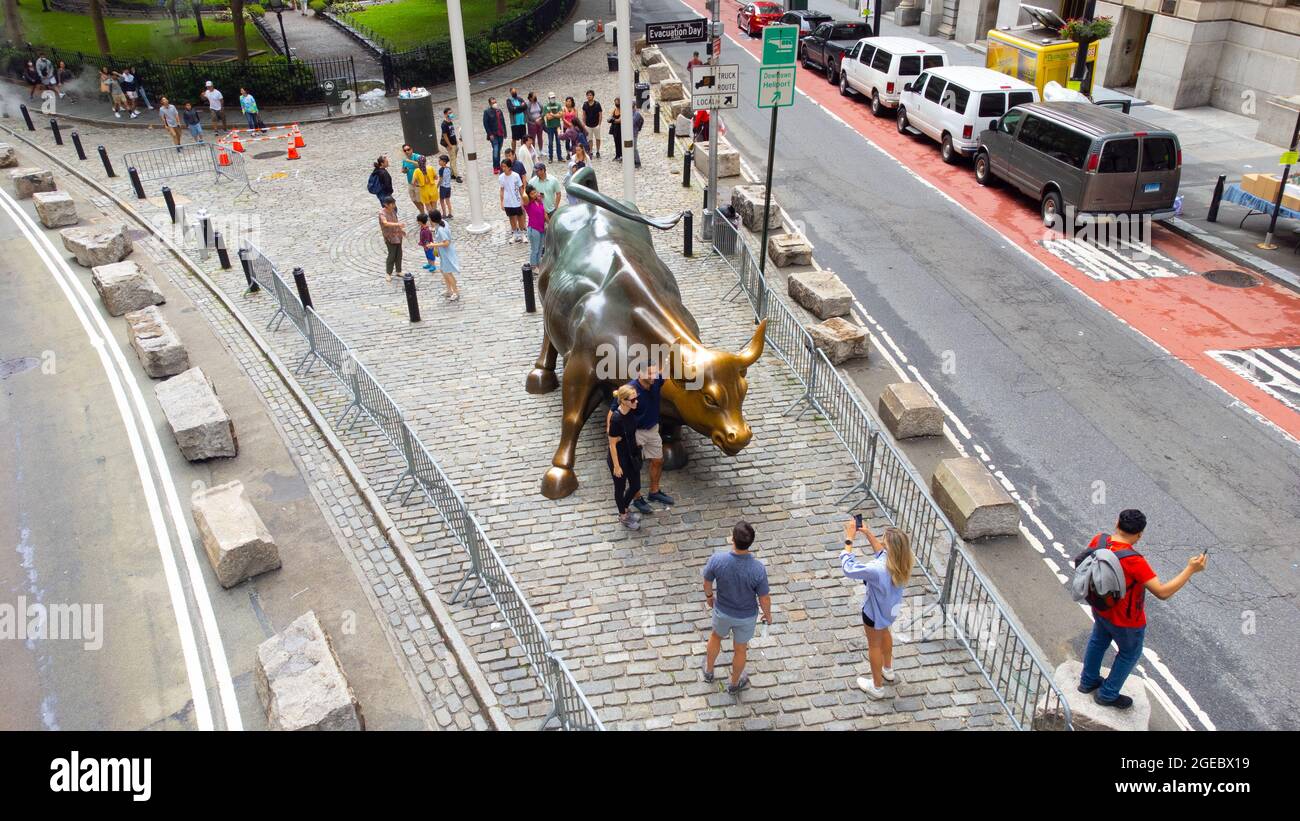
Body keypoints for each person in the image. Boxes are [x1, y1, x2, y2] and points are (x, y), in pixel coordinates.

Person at [1078, 509, 1207, 709]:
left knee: (1098, 641)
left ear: (1116, 523)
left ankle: (1087, 682)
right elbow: (1162, 592)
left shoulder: (1099, 540)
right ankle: (1108, 694)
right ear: (1140, 534)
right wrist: (1191, 569)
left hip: (1101, 608)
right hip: (1127, 620)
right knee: (1129, 654)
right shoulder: (1134, 561)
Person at [840, 518, 914, 698]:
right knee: (885, 633)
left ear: (889, 547)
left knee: (874, 645)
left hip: (873, 612)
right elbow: (882, 552)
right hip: (890, 609)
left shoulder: (876, 569)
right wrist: (867, 533)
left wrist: (849, 541)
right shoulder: (902, 561)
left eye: (884, 540)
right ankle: (887, 669)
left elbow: (848, 569)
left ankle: (877, 686)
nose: (881, 542)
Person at [701, 521, 771, 694]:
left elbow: (707, 581)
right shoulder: (758, 569)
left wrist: (710, 597)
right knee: (741, 648)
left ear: (732, 539)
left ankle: (709, 670)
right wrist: (767, 615)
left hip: (723, 611)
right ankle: (734, 683)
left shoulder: (718, 560)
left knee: (715, 637)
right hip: (746, 617)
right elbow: (764, 597)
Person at [609, 362, 674, 515]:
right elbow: (613, 411)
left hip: (652, 429)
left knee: (658, 460)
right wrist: (611, 434)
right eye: (650, 374)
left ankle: (654, 491)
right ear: (639, 373)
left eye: (655, 373)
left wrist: (671, 356)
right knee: (634, 466)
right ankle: (637, 498)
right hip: (635, 432)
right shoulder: (630, 390)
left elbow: (666, 371)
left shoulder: (656, 380)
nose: (653, 377)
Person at [606, 385, 642, 531]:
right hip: (619, 458)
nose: (636, 401)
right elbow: (612, 444)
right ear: (623, 401)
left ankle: (625, 508)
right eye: (633, 399)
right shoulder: (616, 418)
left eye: (636, 398)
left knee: (636, 486)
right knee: (620, 488)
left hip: (631, 455)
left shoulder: (631, 412)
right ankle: (623, 515)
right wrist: (616, 466)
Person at [428, 210, 460, 301]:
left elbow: (446, 243)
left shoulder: (441, 229)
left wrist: (433, 245)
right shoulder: (443, 223)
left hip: (446, 253)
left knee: (448, 272)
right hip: (444, 253)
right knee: (444, 271)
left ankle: (455, 292)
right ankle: (449, 290)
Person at [378, 196, 405, 284]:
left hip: (397, 235)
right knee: (392, 254)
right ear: (386, 204)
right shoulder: (382, 213)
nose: (393, 205)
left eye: (394, 203)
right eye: (392, 204)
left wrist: (401, 231)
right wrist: (398, 224)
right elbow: (385, 223)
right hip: (389, 237)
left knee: (399, 253)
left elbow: (396, 220)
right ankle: (388, 273)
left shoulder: (393, 211)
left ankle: (398, 270)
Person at [498, 159, 526, 243]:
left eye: (505, 166)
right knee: (511, 218)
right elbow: (502, 190)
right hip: (508, 201)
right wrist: (502, 202)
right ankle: (515, 234)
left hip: (516, 200)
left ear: (509, 167)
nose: (503, 168)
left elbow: (520, 188)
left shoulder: (516, 176)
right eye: (502, 166)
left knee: (520, 217)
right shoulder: (501, 177)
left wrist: (522, 199)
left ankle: (522, 234)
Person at [482, 97, 508, 172]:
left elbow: (503, 122)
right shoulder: (487, 112)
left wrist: (505, 132)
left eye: (495, 102)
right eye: (493, 103)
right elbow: (485, 124)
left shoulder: (499, 111)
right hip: (493, 134)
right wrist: (490, 134)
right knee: (495, 150)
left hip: (500, 133)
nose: (495, 104)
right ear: (490, 104)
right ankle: (495, 167)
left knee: (498, 150)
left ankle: (498, 165)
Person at [524, 184, 546, 268]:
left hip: (541, 228)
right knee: (535, 249)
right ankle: (533, 266)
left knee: (540, 248)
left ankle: (538, 264)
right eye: (532, 193)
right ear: (528, 195)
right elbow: (524, 197)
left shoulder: (539, 202)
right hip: (534, 229)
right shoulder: (528, 203)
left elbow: (544, 213)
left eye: (535, 192)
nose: (535, 194)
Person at [399, 144, 425, 215]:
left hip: (418, 182)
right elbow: (403, 170)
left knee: (419, 200)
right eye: (405, 150)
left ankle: (423, 214)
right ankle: (422, 212)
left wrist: (409, 161)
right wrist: (405, 170)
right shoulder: (405, 160)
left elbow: (421, 164)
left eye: (408, 149)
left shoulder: (416, 156)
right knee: (413, 199)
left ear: (412, 149)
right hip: (410, 182)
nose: (407, 151)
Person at [439, 108, 462, 182]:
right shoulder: (444, 124)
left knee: (453, 159)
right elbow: (445, 135)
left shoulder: (450, 122)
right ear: (445, 114)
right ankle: (457, 175)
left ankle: (452, 174)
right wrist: (449, 145)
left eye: (451, 112)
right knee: (453, 160)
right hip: (451, 145)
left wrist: (456, 141)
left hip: (454, 143)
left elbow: (452, 133)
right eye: (449, 113)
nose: (451, 114)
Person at [543, 92, 564, 162]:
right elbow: (548, 117)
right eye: (551, 98)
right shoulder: (546, 106)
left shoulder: (558, 105)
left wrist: (552, 114)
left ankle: (559, 157)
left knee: (558, 142)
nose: (553, 99)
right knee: (550, 142)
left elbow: (561, 115)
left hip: (558, 126)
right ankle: (550, 157)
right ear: (549, 98)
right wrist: (556, 115)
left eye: (554, 97)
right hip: (550, 127)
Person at [581, 90, 603, 158]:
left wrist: (599, 124)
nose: (589, 96)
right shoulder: (585, 104)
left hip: (596, 124)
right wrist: (584, 124)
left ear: (593, 96)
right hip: (588, 125)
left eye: (590, 95)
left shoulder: (597, 104)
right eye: (588, 95)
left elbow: (600, 114)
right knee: (589, 139)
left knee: (598, 138)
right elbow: (584, 115)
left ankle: (598, 151)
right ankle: (590, 151)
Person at [506, 87, 528, 151]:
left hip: (522, 122)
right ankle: (513, 152)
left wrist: (516, 108)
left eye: (515, 91)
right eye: (513, 92)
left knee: (523, 138)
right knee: (514, 138)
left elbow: (525, 106)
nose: (514, 92)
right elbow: (511, 110)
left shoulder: (520, 99)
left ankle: (522, 151)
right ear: (510, 93)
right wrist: (521, 107)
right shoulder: (509, 100)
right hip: (515, 123)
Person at [437, 154, 454, 220]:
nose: (439, 162)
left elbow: (441, 179)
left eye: (440, 161)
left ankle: (444, 214)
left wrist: (437, 186)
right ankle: (450, 213)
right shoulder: (449, 168)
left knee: (442, 201)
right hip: (448, 187)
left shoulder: (441, 170)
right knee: (448, 200)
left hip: (443, 187)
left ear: (444, 161)